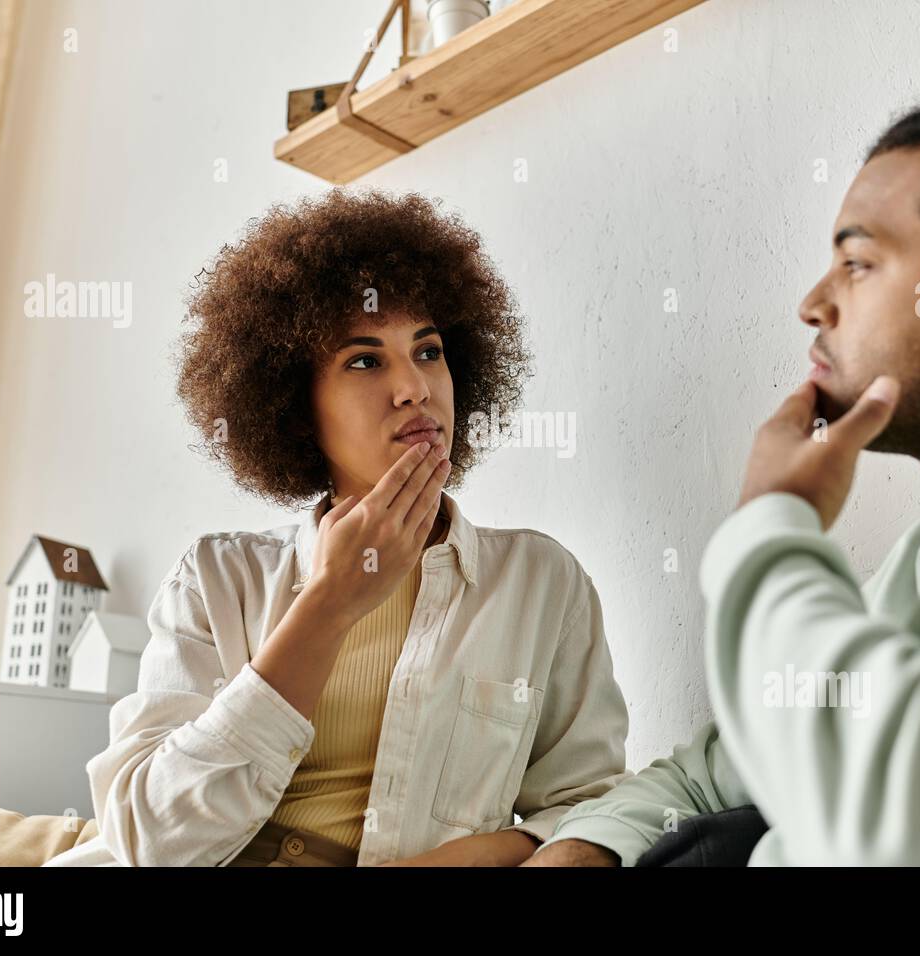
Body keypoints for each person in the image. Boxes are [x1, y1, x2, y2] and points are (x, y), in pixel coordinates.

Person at [525, 90, 920, 866]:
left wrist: (772, 519)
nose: (812, 304)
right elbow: (705, 778)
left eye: (857, 263)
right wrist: (586, 848)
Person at [46, 189, 629, 867]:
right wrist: (328, 601)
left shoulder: (538, 582)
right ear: (295, 407)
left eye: (429, 350)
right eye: (364, 360)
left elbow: (590, 809)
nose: (414, 388)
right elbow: (151, 837)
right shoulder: (215, 579)